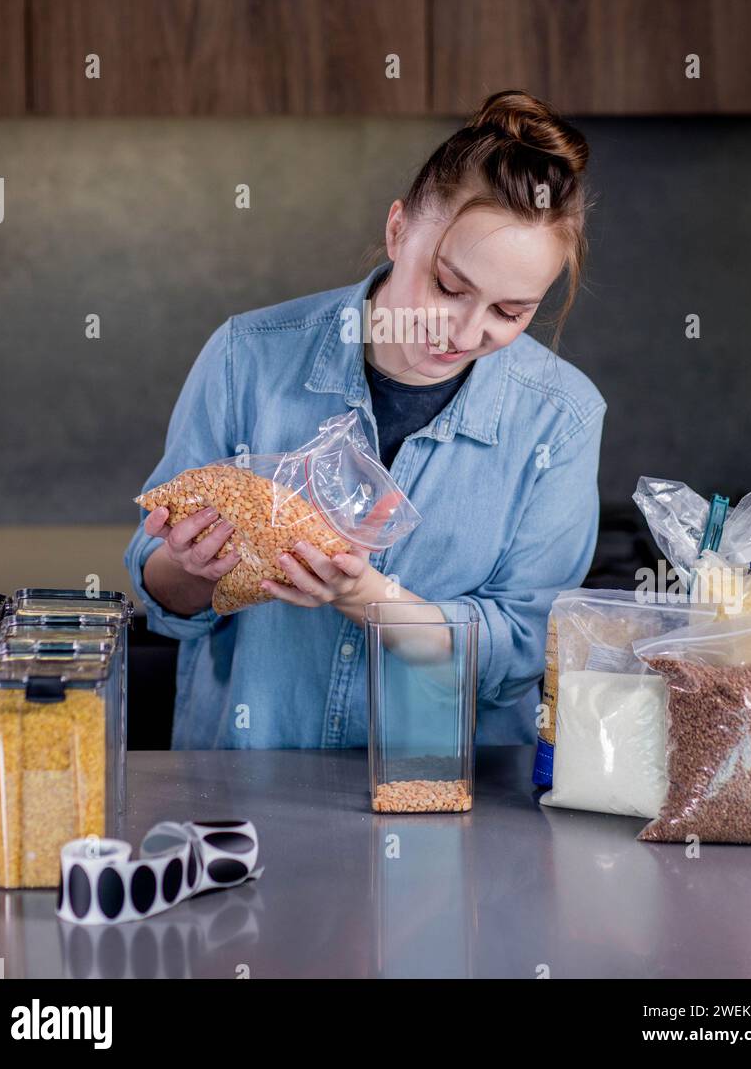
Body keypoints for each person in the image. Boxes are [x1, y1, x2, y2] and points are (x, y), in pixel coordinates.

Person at [125, 90, 606, 748]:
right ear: (398, 229)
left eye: (511, 311)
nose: (463, 332)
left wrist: (367, 597)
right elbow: (160, 590)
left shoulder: (562, 417)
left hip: (457, 803)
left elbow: (523, 651)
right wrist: (193, 570)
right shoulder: (248, 357)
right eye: (448, 287)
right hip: (248, 786)